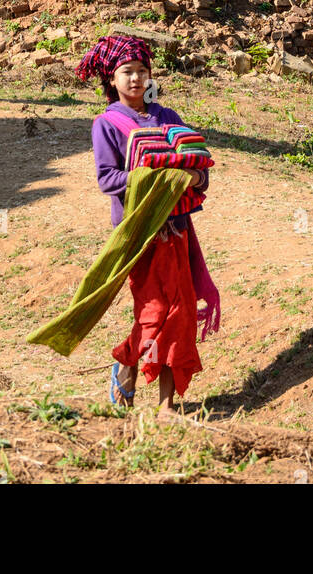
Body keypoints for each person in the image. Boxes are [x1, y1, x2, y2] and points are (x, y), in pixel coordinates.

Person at [78, 33, 220, 416]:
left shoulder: (168, 119)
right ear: (111, 78)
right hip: (139, 233)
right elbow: (108, 179)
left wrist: (193, 178)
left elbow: (198, 165)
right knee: (155, 311)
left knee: (183, 310)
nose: (136, 79)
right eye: (127, 72)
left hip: (177, 228)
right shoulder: (106, 124)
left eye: (142, 71)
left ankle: (166, 406)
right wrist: (153, 178)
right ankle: (126, 362)